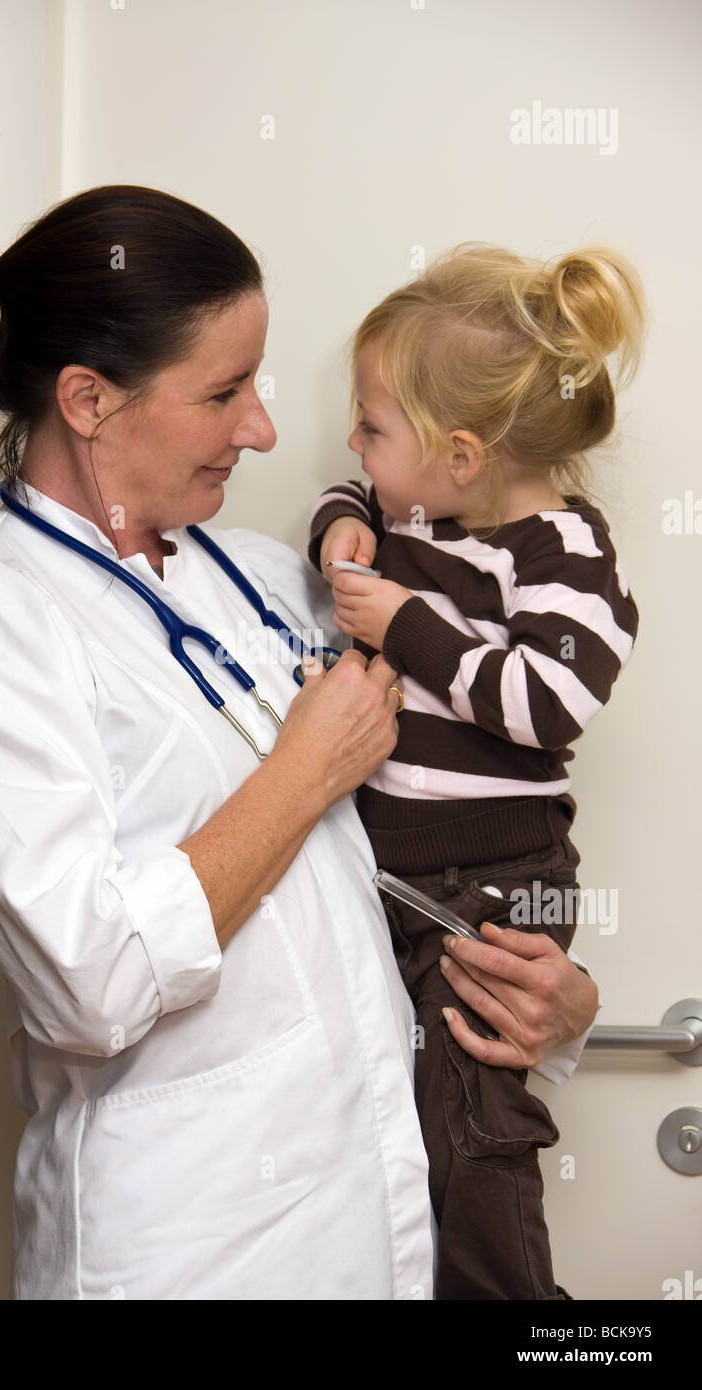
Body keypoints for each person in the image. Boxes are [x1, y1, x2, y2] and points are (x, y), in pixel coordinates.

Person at [0, 189, 600, 1300]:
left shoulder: (271, 578)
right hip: (187, 1249)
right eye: (224, 391)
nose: (264, 428)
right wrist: (304, 770)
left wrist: (555, 1008)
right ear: (87, 400)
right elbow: (89, 983)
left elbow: (412, 837)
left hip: (375, 1226)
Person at [308, 241, 643, 1299]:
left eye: (371, 422)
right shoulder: (410, 513)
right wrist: (343, 522)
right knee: (395, 1127)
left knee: (473, 1126)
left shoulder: (563, 558)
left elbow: (546, 705)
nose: (352, 440)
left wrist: (408, 626)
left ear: (459, 453)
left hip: (496, 882)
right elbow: (340, 490)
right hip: (396, 876)